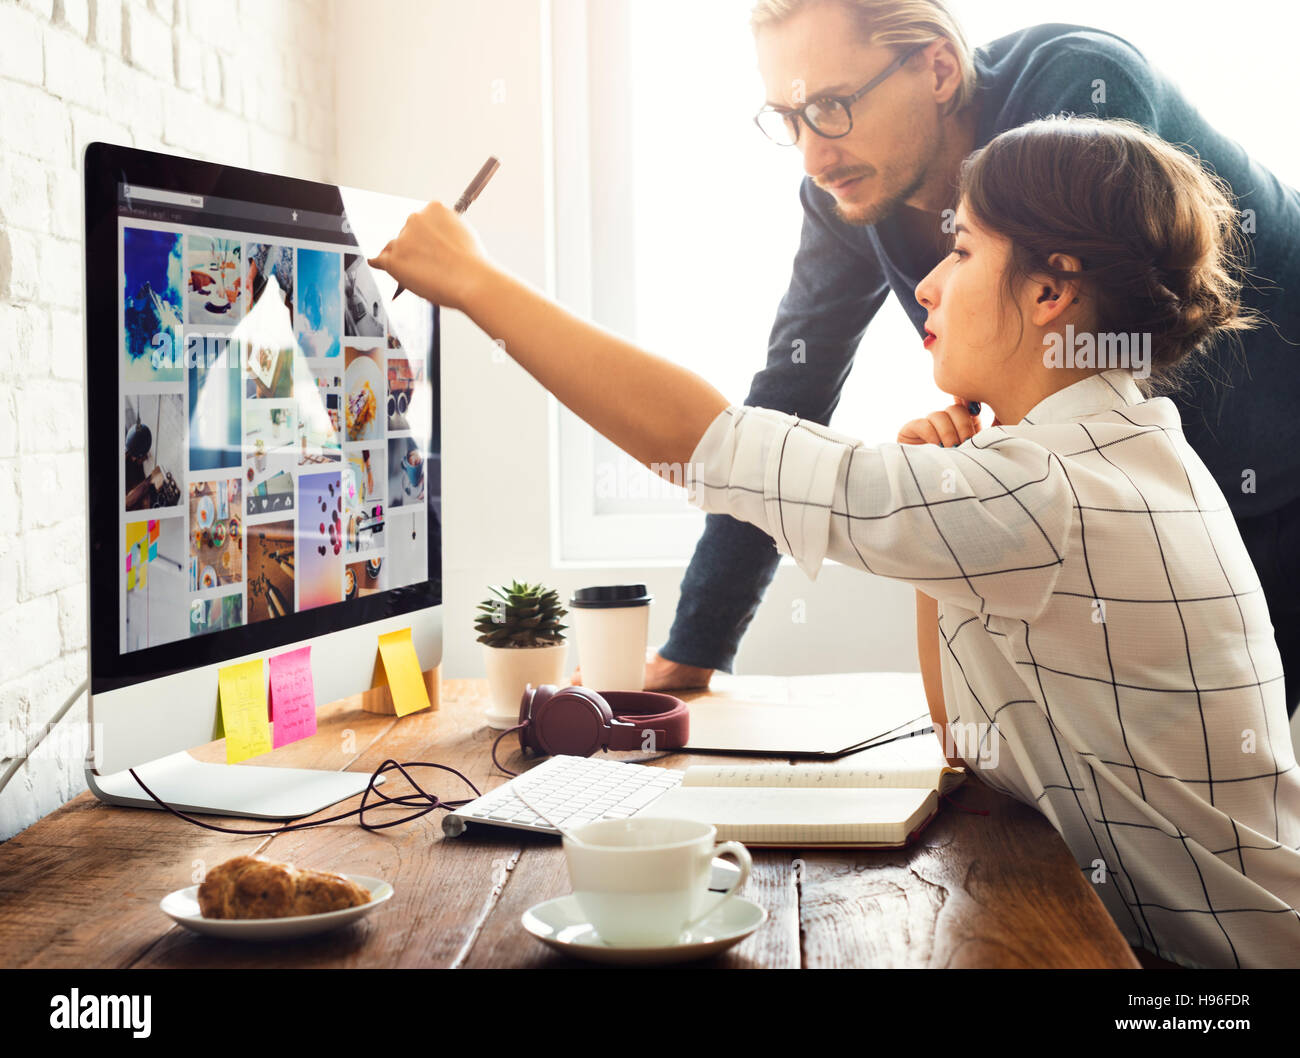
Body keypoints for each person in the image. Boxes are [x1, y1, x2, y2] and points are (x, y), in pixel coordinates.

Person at [368, 110, 1300, 968]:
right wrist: (942, 555)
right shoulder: (1114, 450)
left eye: (964, 250)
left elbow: (703, 445)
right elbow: (963, 737)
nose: (929, 283)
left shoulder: (1044, 489)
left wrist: (475, 284)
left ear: (1052, 289)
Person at [632, 1, 1300, 719]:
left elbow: (1085, 362)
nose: (813, 156)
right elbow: (791, 389)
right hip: (1142, 519)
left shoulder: (1078, 93)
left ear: (940, 68)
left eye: (830, 106)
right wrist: (695, 648)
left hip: (1255, 463)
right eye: (789, 119)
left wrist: (966, 477)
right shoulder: (849, 189)